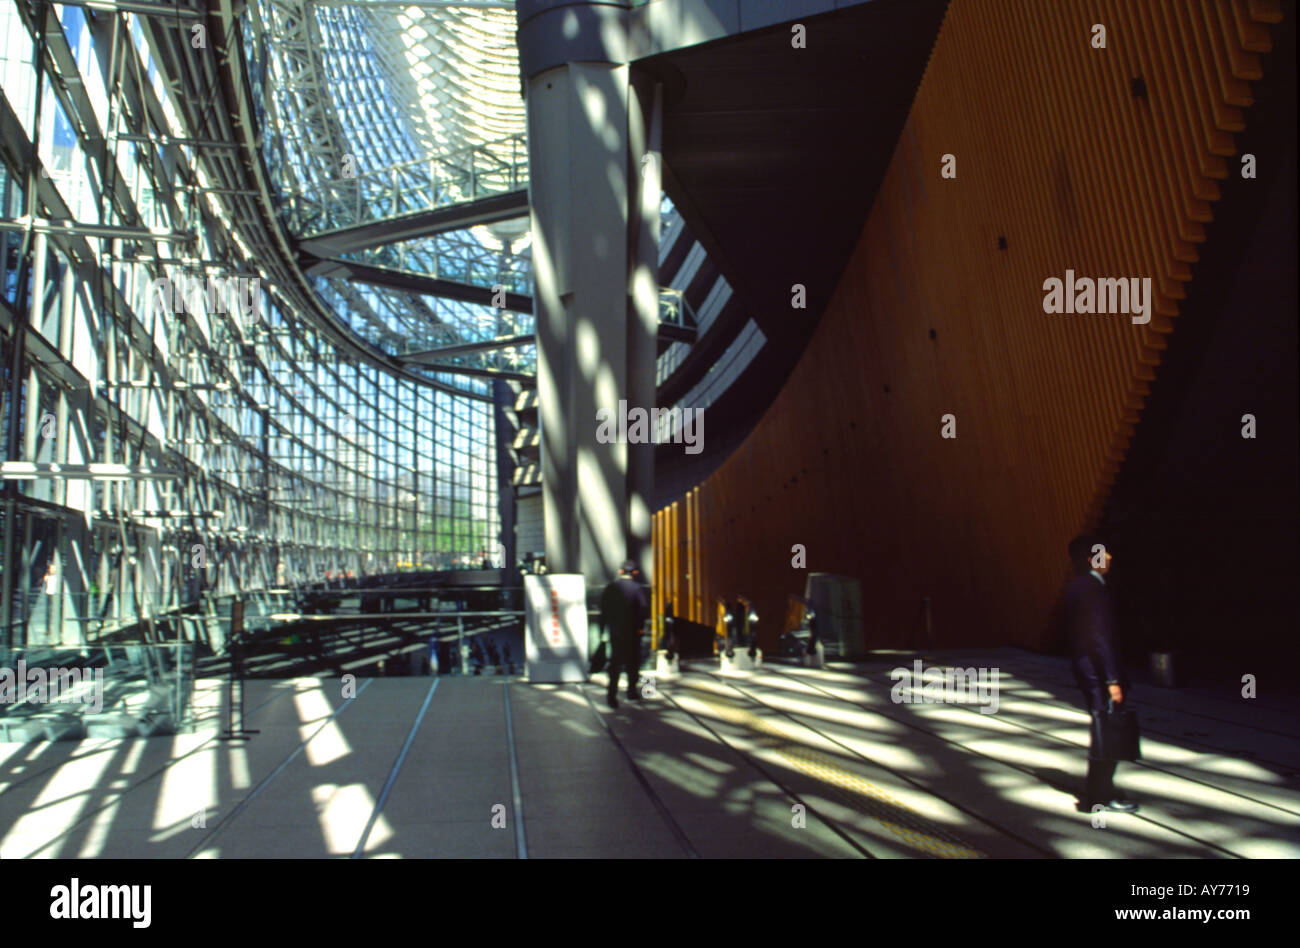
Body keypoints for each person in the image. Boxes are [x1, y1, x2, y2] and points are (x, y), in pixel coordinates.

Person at [1066, 533, 1138, 813]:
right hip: (1099, 676)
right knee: (1107, 732)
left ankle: (1099, 789)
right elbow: (1100, 638)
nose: (1110, 557)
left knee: (1103, 730)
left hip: (1090, 673)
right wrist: (1112, 680)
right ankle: (1099, 796)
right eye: (1103, 553)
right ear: (1090, 558)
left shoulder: (1081, 586)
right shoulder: (1091, 589)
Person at [600, 560, 649, 709]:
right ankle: (631, 692)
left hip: (616, 632)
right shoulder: (637, 588)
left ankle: (611, 697)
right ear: (634, 573)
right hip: (633, 633)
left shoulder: (611, 587)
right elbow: (643, 608)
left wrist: (603, 629)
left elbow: (604, 609)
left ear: (620, 571)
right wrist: (640, 627)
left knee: (615, 664)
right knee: (632, 663)